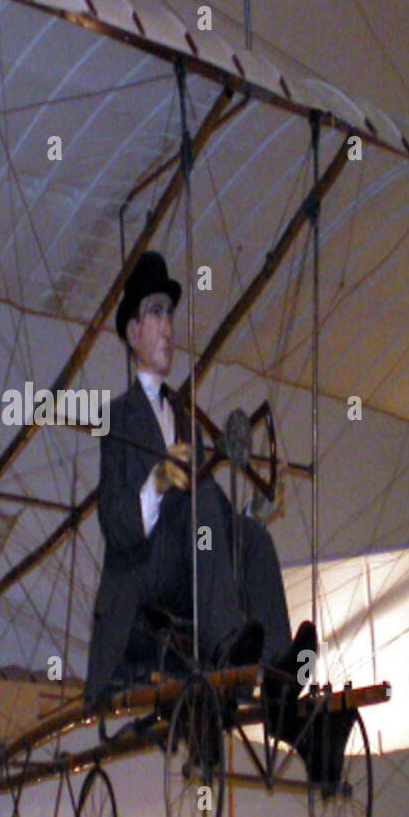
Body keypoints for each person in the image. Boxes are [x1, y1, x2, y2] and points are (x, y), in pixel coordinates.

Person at [85, 250, 313, 707]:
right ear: (132, 333)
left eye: (169, 314)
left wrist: (253, 510)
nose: (168, 327)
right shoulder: (117, 419)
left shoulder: (187, 421)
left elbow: (217, 517)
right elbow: (117, 526)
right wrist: (159, 482)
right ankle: (227, 640)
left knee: (251, 537)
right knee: (199, 510)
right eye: (155, 314)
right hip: (147, 570)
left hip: (191, 558)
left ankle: (275, 666)